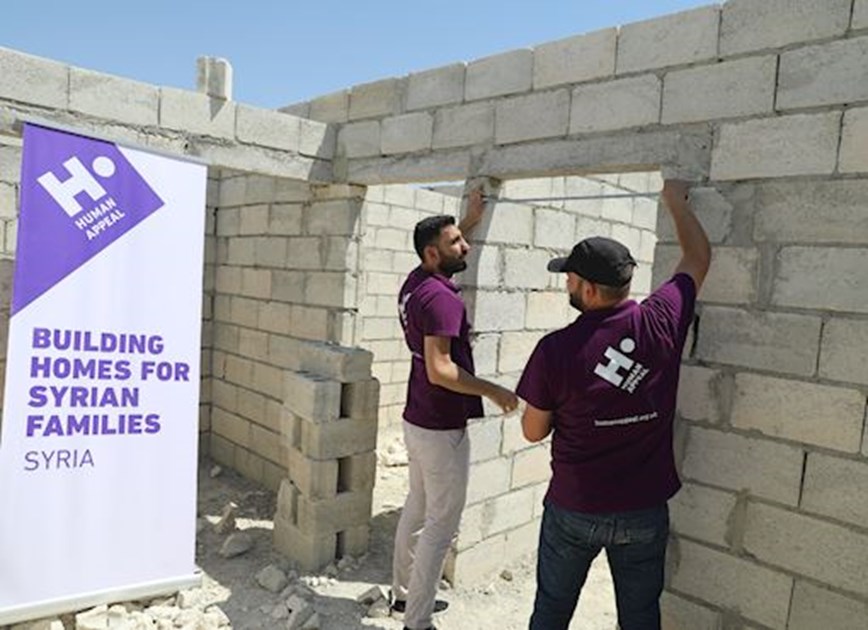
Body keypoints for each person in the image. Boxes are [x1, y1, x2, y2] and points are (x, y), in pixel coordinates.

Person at [516, 179, 711, 630]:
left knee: (551, 613)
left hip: (574, 507)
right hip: (644, 509)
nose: (565, 281)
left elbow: (532, 431)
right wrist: (675, 203)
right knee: (640, 619)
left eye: (568, 276)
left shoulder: (555, 349)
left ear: (587, 289)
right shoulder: (662, 318)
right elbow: (698, 258)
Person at [391, 188, 519, 630]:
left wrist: (470, 218)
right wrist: (495, 391)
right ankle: (417, 621)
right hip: (441, 424)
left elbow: (441, 243)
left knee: (417, 503)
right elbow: (441, 369)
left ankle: (403, 596)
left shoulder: (417, 281)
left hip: (416, 418)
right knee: (441, 524)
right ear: (432, 253)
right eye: (456, 242)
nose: (465, 245)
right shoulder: (443, 299)